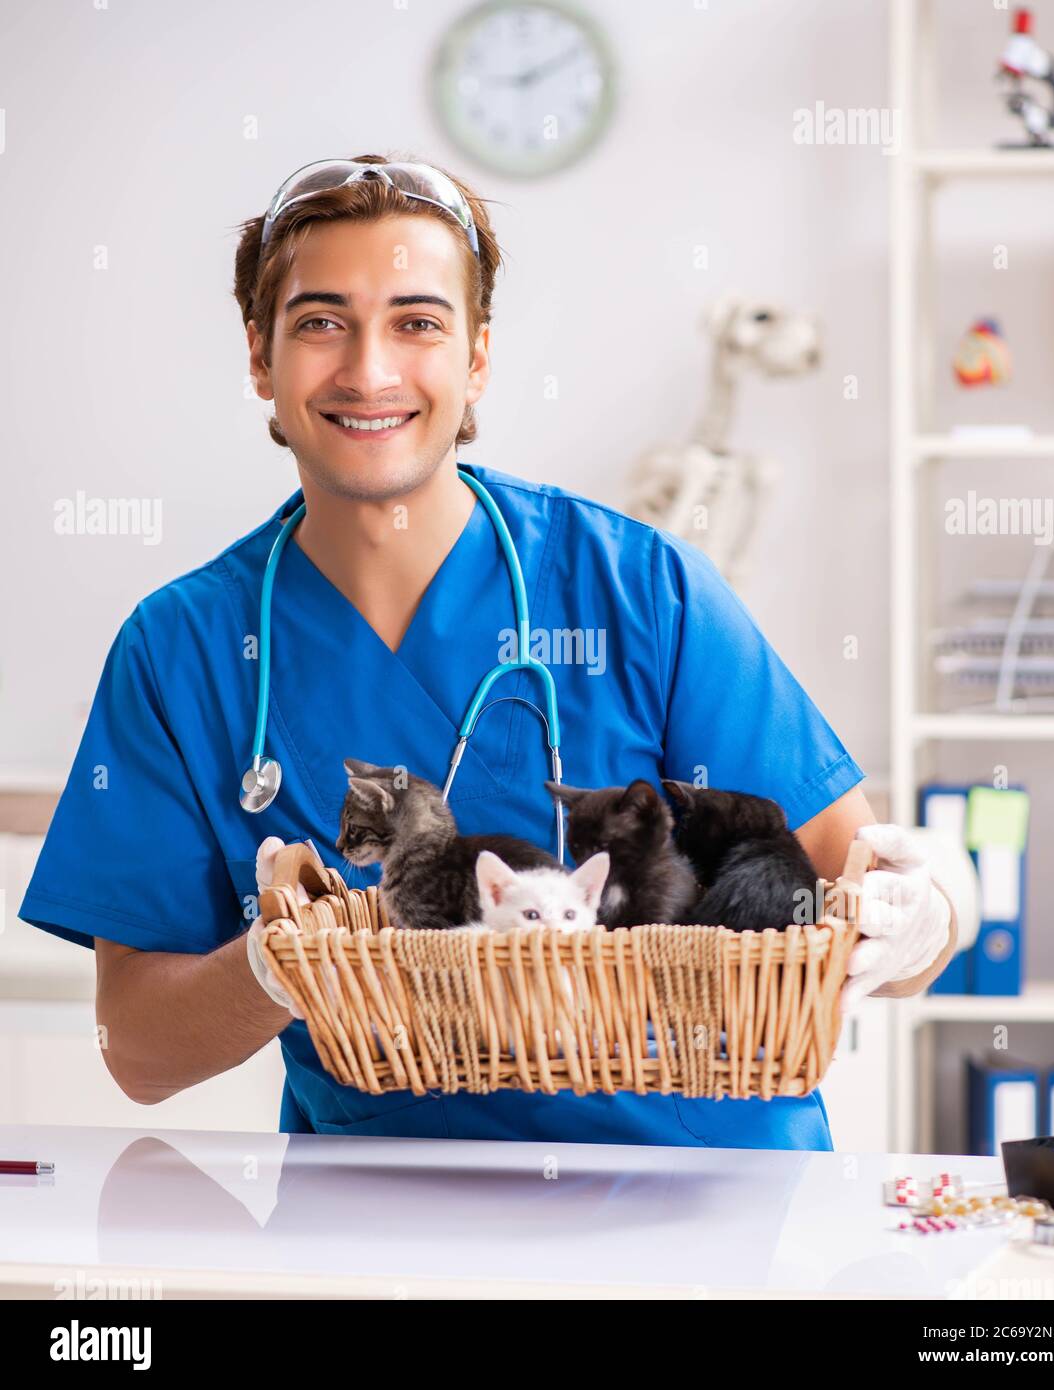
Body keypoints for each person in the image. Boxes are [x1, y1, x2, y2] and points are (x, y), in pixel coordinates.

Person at [19, 154, 958, 1147]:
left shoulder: (639, 590)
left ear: (475, 359)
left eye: (416, 323)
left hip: (713, 1214)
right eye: (320, 322)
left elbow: (876, 925)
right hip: (384, 1229)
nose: (369, 370)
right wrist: (274, 965)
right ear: (261, 356)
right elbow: (139, 1050)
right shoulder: (183, 651)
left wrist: (935, 907)